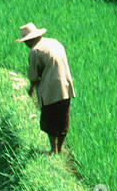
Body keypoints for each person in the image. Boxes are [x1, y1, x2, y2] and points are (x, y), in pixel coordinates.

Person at [16, 23, 75, 155]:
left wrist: (31, 89)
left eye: (25, 42)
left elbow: (33, 75)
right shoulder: (55, 42)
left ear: (29, 40)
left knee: (49, 120)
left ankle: (53, 149)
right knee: (63, 119)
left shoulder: (35, 51)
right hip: (65, 86)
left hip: (50, 90)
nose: (26, 45)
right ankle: (59, 149)